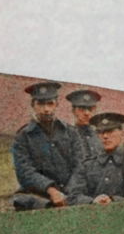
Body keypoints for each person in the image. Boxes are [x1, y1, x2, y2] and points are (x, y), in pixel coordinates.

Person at [10, 81, 83, 210]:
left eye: (50, 103)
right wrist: (51, 190)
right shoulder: (23, 136)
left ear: (56, 105)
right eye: (40, 104)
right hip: (40, 196)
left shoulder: (71, 132)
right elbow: (24, 172)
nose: (46, 109)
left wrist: (68, 192)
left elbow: (80, 165)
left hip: (70, 194)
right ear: (33, 105)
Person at [66, 112, 124, 205]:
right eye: (100, 132)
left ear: (122, 134)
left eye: (110, 131)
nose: (105, 136)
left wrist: (114, 200)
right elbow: (72, 196)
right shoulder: (87, 166)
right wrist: (93, 201)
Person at [66, 89, 104, 161]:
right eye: (81, 109)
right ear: (73, 111)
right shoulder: (67, 135)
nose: (86, 113)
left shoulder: (102, 135)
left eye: (90, 109)